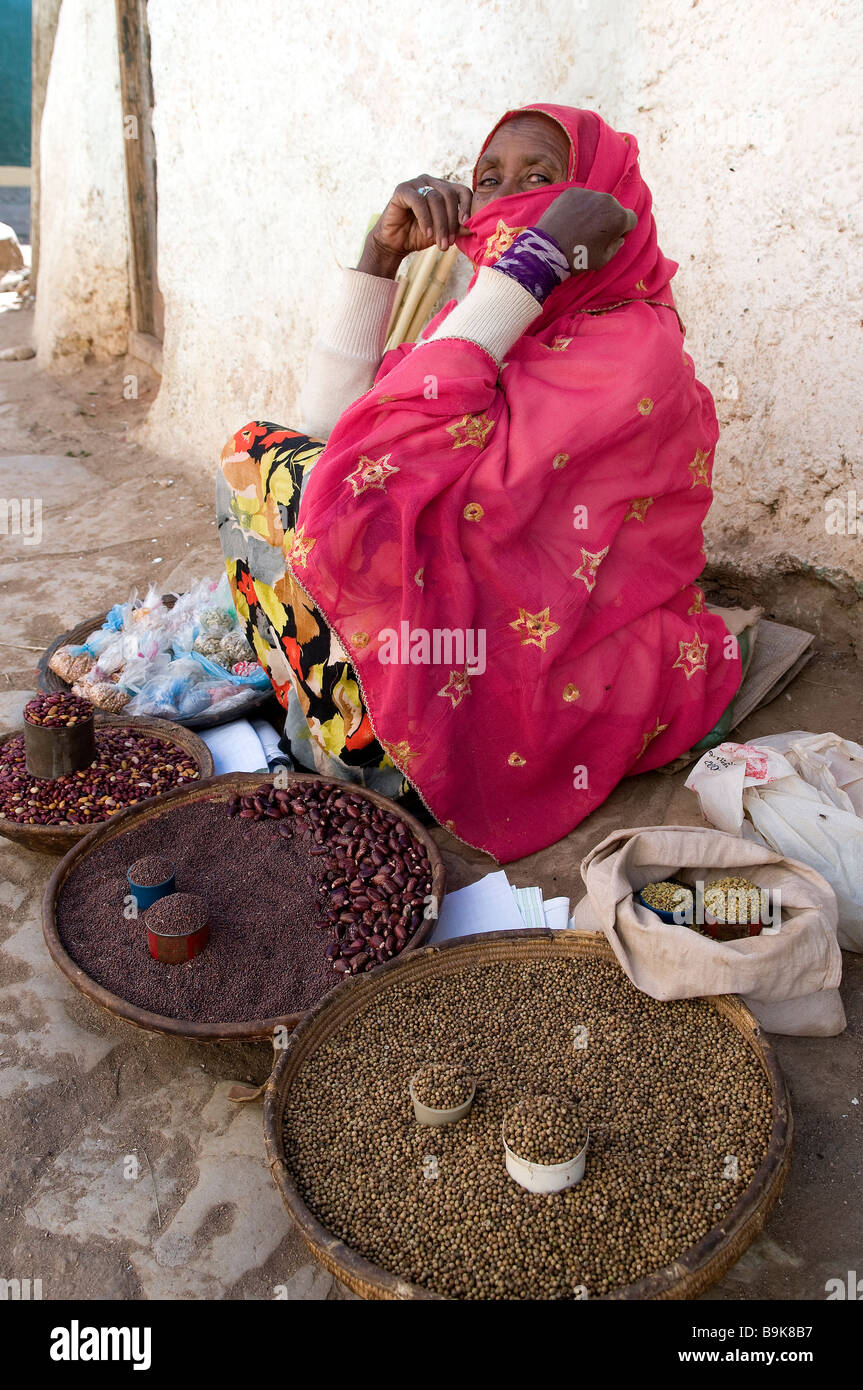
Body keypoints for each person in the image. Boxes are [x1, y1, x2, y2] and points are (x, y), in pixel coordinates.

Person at [217, 103, 742, 863]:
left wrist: (531, 266)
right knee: (271, 467)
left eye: (542, 180)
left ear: (603, 210)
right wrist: (377, 260)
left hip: (513, 669)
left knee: (287, 480)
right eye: (489, 180)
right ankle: (344, 723)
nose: (507, 197)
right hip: (432, 645)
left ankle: (381, 751)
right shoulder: (491, 317)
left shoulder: (632, 350)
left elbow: (376, 492)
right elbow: (336, 436)